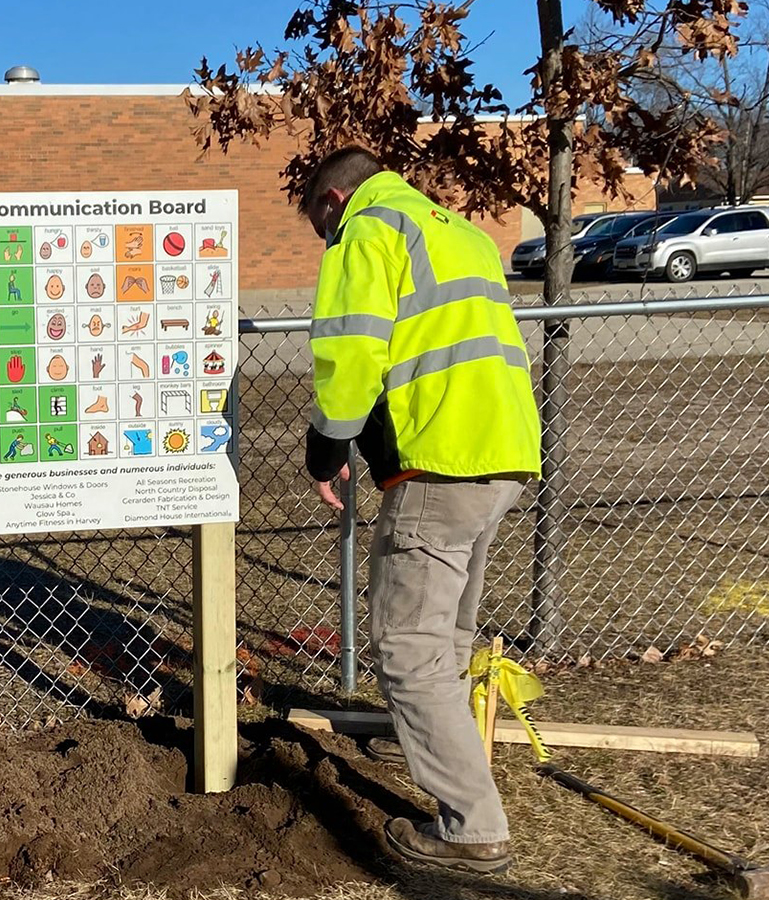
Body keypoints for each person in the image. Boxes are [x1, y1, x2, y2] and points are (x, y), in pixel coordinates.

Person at [298, 147, 541, 875]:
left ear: (335, 200)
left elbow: (351, 352)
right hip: (501, 454)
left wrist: (325, 448)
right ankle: (430, 739)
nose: (324, 245)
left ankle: (472, 828)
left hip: (437, 463)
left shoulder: (371, 231)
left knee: (407, 649)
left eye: (320, 228)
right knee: (448, 636)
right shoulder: (457, 231)